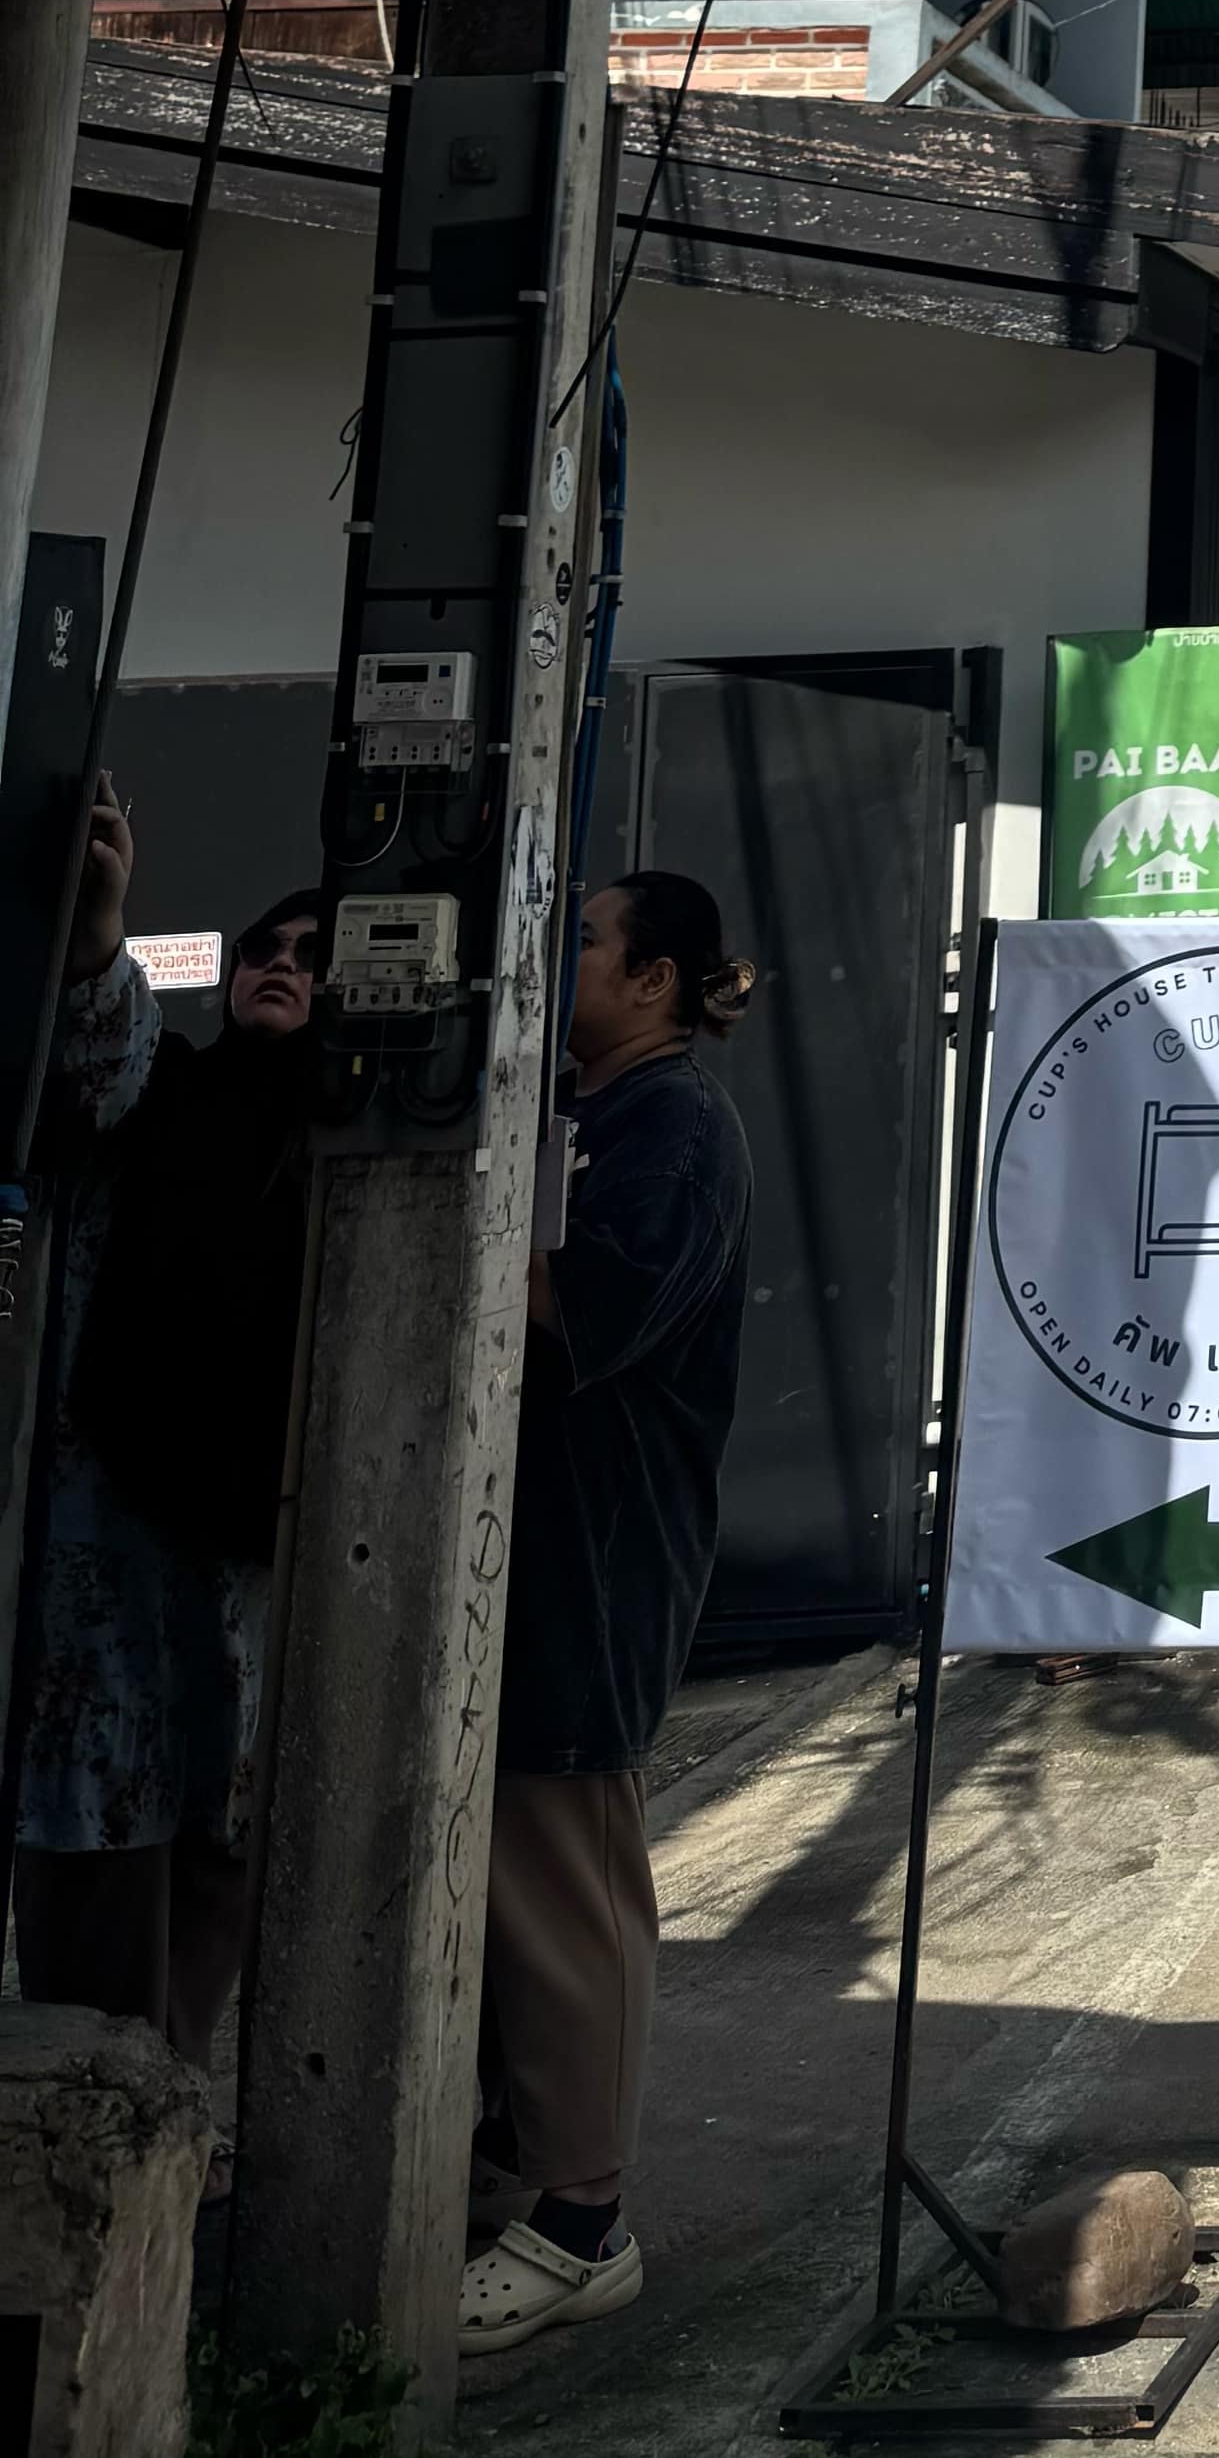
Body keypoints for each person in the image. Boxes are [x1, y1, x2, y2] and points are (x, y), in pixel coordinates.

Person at [462, 868, 755, 2359]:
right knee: (512, 1873)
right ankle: (516, 2163)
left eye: (581, 939)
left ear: (653, 981)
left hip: (598, 1553)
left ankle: (583, 2224)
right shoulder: (598, 1107)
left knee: (563, 1880)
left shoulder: (674, 1127)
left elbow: (584, 1305)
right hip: (535, 1548)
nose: (553, 956)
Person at [12, 786, 321, 2062]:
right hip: (109, 1541)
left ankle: (170, 2105)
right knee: (94, 1814)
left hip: (248, 1549)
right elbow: (104, 1056)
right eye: (264, 949)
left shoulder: (368, 1141)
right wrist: (103, 928)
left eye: (313, 956)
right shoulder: (169, 1090)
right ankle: (92, 2099)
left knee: (221, 1824)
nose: (281, 966)